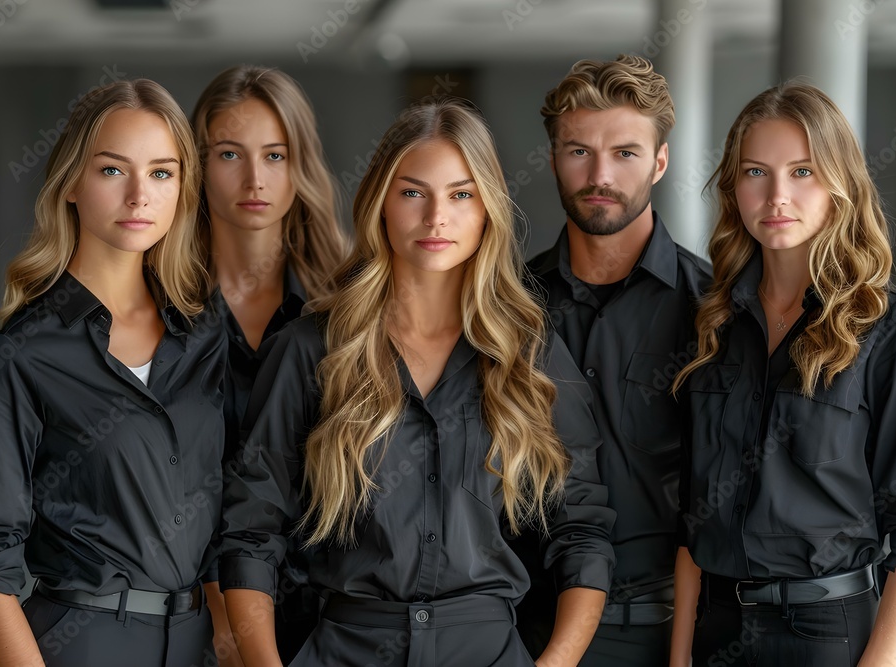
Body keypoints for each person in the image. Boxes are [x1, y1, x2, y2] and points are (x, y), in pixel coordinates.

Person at [219, 97, 615, 667]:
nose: (437, 218)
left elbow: (581, 528)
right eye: (413, 193)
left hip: (486, 649)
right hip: (344, 648)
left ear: (487, 211)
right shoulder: (312, 349)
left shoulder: (528, 353)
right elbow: (252, 531)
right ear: (380, 203)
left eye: (461, 195)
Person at [669, 82, 896, 667]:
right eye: (756, 172)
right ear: (734, 188)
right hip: (714, 630)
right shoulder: (713, 326)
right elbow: (692, 519)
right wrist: (679, 658)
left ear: (839, 186)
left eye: (803, 172)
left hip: (825, 636)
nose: (777, 195)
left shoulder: (891, 329)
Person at [0, 80, 233, 666]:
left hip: (200, 644)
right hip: (81, 643)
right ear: (72, 185)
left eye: (162, 173)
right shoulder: (22, 354)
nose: (140, 195)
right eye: (113, 171)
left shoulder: (208, 333)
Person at [521, 54, 710, 666]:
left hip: (668, 633)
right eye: (579, 152)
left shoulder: (716, 311)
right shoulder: (504, 311)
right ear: (553, 157)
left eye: (625, 153)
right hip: (522, 626)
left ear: (659, 161)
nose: (600, 174)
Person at [191, 64, 349, 662]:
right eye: (229, 154)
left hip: (331, 616)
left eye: (275, 156)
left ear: (299, 164)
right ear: (198, 166)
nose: (254, 178)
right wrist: (221, 607)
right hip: (195, 613)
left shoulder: (348, 308)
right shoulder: (158, 311)